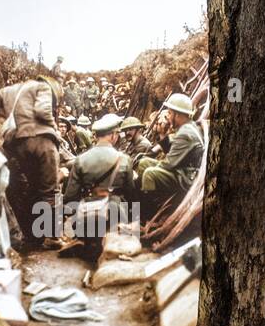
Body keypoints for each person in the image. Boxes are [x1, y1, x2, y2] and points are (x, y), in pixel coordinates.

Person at [0, 75, 65, 250]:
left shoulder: (9, 91)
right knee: (50, 191)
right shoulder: (43, 87)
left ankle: (32, 238)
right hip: (43, 142)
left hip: (18, 146)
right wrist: (54, 129)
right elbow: (43, 111)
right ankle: (53, 237)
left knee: (32, 190)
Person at [62, 112, 138, 253]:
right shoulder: (124, 159)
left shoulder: (80, 159)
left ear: (97, 136)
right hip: (115, 217)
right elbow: (131, 194)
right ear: (113, 135)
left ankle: (84, 240)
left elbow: (70, 197)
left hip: (86, 218)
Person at [140, 92, 204, 222]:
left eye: (169, 113)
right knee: (144, 162)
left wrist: (157, 164)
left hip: (188, 177)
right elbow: (172, 150)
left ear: (178, 115)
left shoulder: (185, 133)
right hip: (184, 170)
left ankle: (148, 214)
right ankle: (145, 197)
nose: (168, 117)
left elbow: (169, 163)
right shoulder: (188, 127)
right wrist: (163, 135)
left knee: (149, 173)